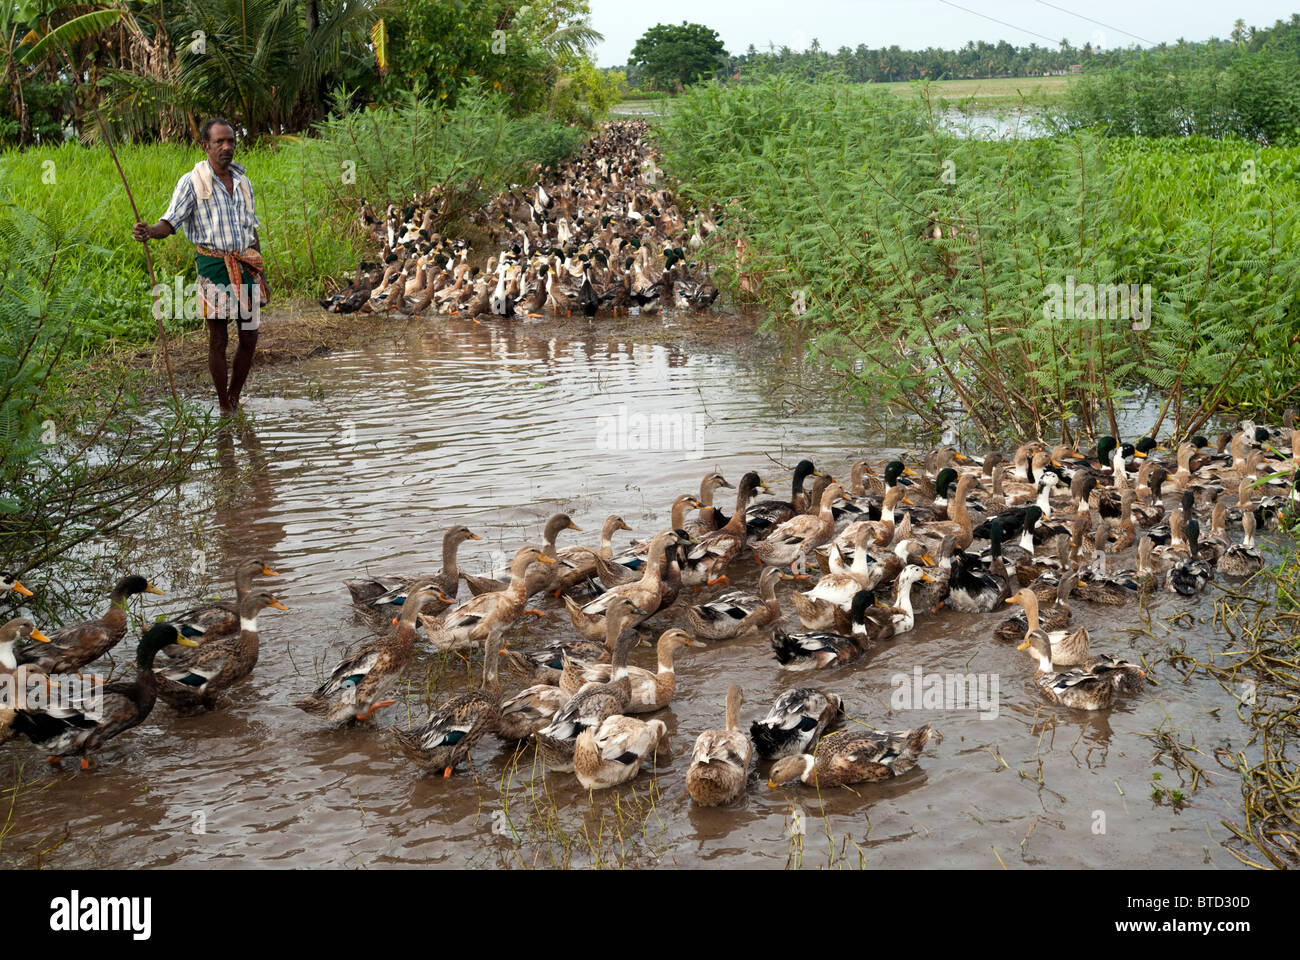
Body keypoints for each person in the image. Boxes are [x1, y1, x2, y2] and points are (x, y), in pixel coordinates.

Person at [132, 117, 268, 415]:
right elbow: (170, 223)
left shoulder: (243, 182)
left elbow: (251, 229)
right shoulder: (192, 182)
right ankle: (223, 403)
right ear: (205, 146)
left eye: (231, 141)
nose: (226, 147)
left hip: (245, 264)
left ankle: (234, 397)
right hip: (213, 266)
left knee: (250, 335)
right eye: (219, 142)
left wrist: (261, 271)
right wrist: (149, 231)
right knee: (218, 338)